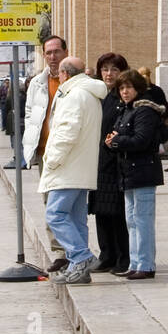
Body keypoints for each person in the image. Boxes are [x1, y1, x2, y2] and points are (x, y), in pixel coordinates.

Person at [39, 58, 108, 284]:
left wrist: (52, 161)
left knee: (55, 214)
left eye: (59, 73)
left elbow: (67, 132)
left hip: (67, 167)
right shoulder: (89, 94)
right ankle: (79, 270)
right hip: (82, 167)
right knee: (77, 219)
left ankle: (81, 257)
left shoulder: (74, 96)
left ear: (65, 74)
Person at [106, 69, 166, 279]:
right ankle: (135, 262)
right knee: (131, 220)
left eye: (129, 87)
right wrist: (113, 141)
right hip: (127, 174)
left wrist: (117, 141)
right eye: (121, 88)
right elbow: (115, 135)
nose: (124, 92)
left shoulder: (144, 111)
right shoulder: (126, 110)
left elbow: (141, 140)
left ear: (138, 88)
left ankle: (146, 265)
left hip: (143, 172)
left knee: (143, 220)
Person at [21, 35, 70, 272]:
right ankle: (60, 251)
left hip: (70, 153)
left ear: (65, 52)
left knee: (72, 204)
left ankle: (75, 249)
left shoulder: (75, 81)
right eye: (48, 52)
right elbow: (30, 114)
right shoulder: (36, 83)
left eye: (56, 52)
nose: (52, 57)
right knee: (50, 204)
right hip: (45, 152)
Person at [89, 53, 131, 274]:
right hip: (98, 162)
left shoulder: (123, 97)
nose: (109, 73)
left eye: (114, 69)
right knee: (101, 211)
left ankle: (123, 257)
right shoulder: (97, 95)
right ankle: (106, 254)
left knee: (118, 212)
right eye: (105, 69)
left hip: (117, 161)